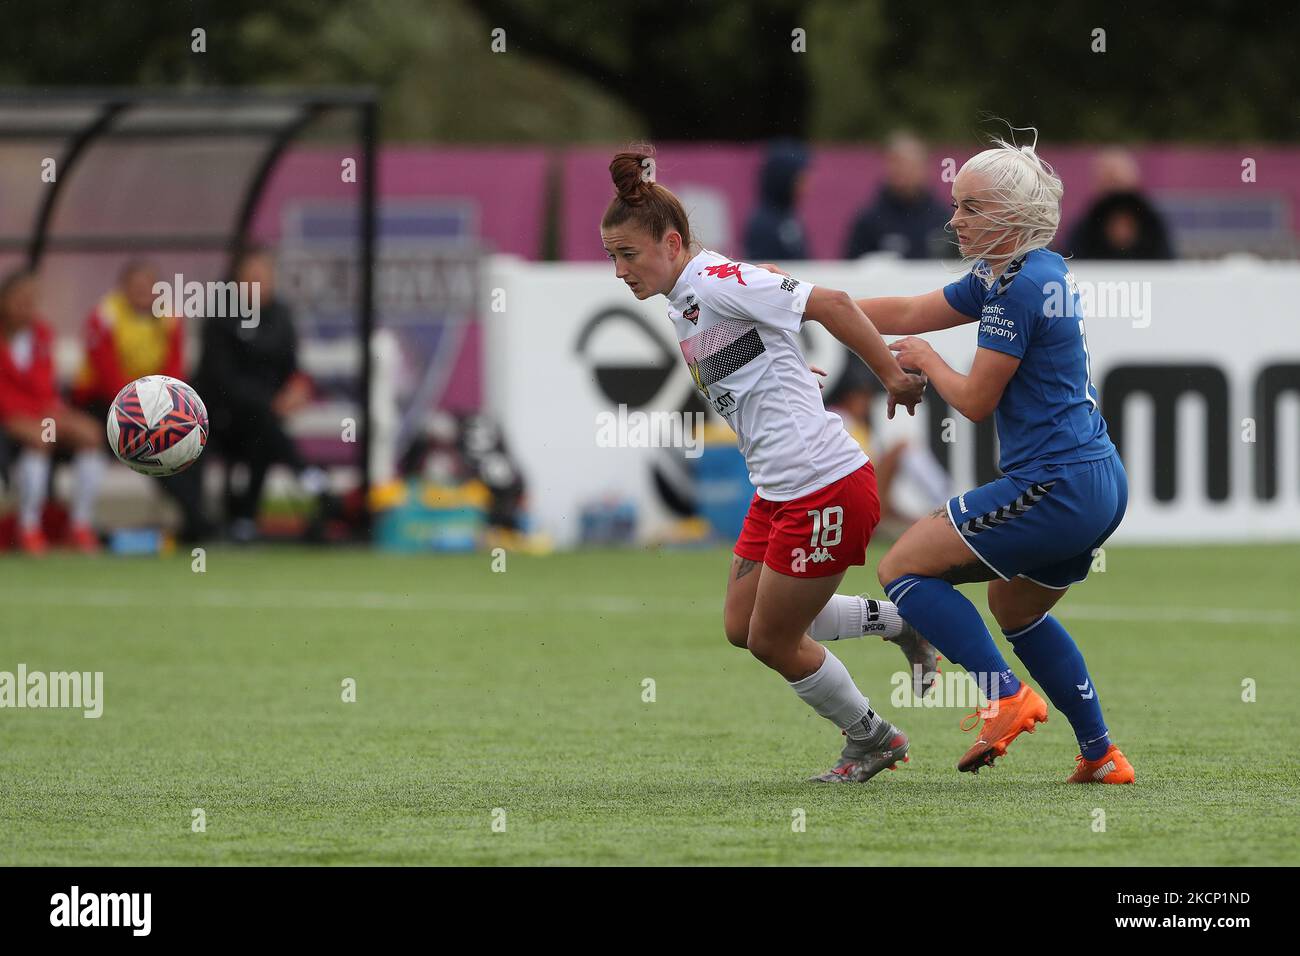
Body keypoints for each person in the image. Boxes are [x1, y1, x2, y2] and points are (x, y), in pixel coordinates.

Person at [601, 145, 935, 784]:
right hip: (778, 491)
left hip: (825, 487)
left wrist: (892, 376)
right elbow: (765, 305)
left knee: (773, 641)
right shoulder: (686, 293)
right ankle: (900, 620)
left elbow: (833, 303)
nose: (619, 270)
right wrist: (777, 362)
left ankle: (873, 739)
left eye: (628, 254)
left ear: (672, 244)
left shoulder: (710, 283)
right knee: (740, 625)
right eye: (611, 256)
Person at [856, 130, 1135, 784]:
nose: (954, 218)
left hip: (1055, 484)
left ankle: (1005, 696)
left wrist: (926, 359)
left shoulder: (1014, 287)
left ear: (1010, 217)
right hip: (1098, 481)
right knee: (1017, 612)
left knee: (901, 569)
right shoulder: (1032, 269)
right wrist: (814, 309)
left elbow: (977, 400)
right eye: (956, 205)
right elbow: (908, 307)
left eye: (970, 208)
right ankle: (1100, 754)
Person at [194, 246, 327, 542]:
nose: (258, 283)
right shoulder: (221, 316)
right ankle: (311, 482)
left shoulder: (280, 316)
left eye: (264, 276)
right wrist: (270, 402)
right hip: (218, 419)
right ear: (237, 279)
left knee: (264, 429)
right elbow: (221, 380)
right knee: (264, 423)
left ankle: (245, 518)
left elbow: (293, 367)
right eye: (251, 276)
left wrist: (298, 387)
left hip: (263, 419)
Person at [73, 260, 212, 542]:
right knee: (162, 443)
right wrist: (145, 408)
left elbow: (174, 373)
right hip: (105, 404)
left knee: (195, 438)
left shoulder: (169, 318)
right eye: (136, 286)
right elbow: (107, 374)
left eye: (148, 286)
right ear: (123, 288)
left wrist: (165, 408)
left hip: (156, 406)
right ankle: (199, 524)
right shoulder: (104, 317)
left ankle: (195, 520)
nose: (143, 292)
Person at [0, 268, 105, 554]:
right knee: (41, 438)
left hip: (40, 412)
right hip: (8, 416)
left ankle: (80, 524)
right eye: (20, 300)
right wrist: (31, 418)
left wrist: (55, 415)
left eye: (32, 301)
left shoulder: (42, 334)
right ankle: (28, 526)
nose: (27, 308)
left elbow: (45, 387)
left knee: (92, 434)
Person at [844, 131, 953, 260]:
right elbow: (851, 270)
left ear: (927, 168)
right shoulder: (869, 220)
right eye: (899, 164)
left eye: (911, 165)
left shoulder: (945, 220)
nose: (905, 172)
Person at [1065, 148, 1175, 259]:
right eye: (1108, 182)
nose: (1115, 195)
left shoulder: (1153, 225)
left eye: (1118, 182)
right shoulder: (1084, 228)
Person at [742, 140, 809, 261]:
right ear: (784, 178)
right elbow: (766, 274)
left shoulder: (788, 217)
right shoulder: (762, 224)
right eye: (801, 178)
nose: (806, 185)